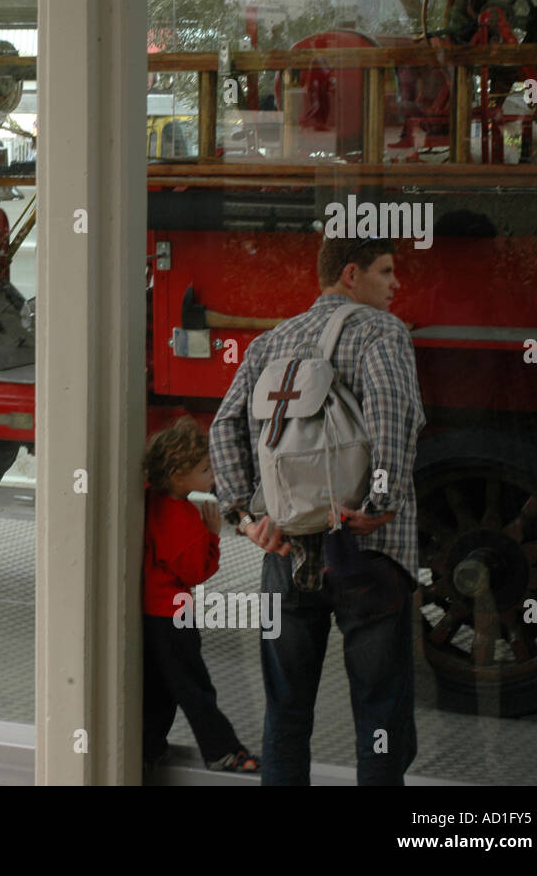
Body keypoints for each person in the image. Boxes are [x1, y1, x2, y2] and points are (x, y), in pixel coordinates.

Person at [210, 234, 425, 786]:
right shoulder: (380, 331)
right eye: (386, 271)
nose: (395, 283)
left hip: (285, 549)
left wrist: (245, 517)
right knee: (379, 715)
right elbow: (391, 416)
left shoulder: (271, 342)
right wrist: (380, 502)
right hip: (365, 551)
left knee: (285, 711)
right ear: (351, 275)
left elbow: (224, 428)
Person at [142, 416, 259, 777]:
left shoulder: (150, 500)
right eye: (205, 469)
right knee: (194, 687)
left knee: (159, 689)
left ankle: (147, 749)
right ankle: (221, 750)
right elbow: (197, 571)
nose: (212, 475)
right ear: (179, 476)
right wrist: (212, 534)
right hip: (173, 616)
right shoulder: (184, 517)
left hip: (150, 613)